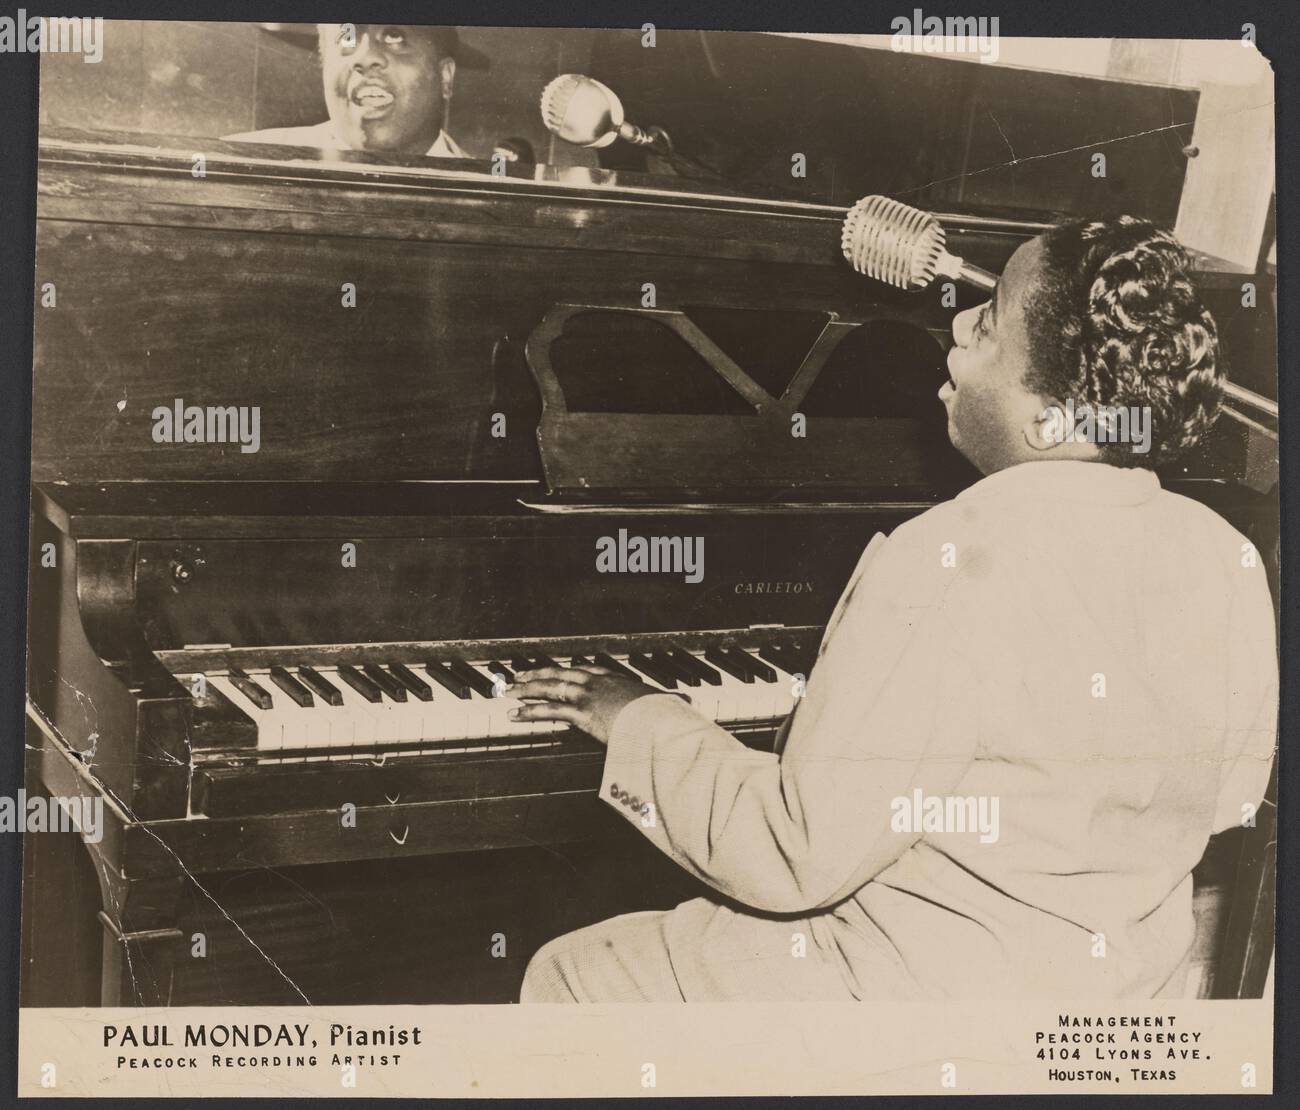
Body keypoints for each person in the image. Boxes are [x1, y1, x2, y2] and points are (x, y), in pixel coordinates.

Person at [508, 216, 1278, 1002]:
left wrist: (635, 716)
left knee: (571, 972)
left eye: (991, 319)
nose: (955, 321)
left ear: (1050, 413)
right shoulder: (1227, 553)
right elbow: (1232, 799)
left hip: (918, 1009)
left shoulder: (949, 553)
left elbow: (795, 854)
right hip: (1108, 1005)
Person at [227, 24, 468, 157]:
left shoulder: (497, 194)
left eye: (394, 36)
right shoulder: (236, 161)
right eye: (346, 38)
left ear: (445, 77)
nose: (363, 57)